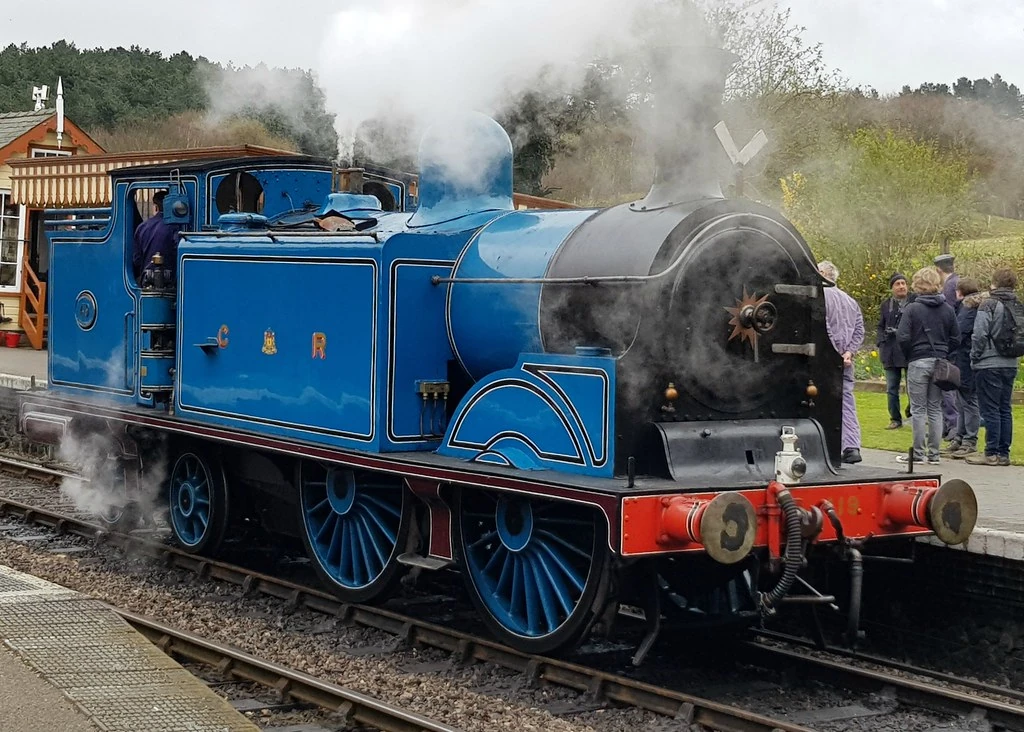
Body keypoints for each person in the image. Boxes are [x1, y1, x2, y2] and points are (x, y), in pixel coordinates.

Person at [895, 267, 960, 465]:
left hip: (918, 360)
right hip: (939, 362)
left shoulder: (912, 309)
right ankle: (934, 454)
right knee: (935, 409)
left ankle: (918, 453)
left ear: (917, 285)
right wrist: (945, 354)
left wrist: (911, 354)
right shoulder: (947, 309)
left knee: (918, 409)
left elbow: (903, 336)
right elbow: (956, 337)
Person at [966, 268, 1021, 466]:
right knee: (1005, 408)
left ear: (994, 282)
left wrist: (974, 356)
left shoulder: (988, 304)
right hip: (1011, 362)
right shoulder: (1017, 304)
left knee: (990, 409)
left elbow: (979, 334)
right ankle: (1003, 453)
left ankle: (990, 452)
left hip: (988, 362)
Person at [818, 261, 865, 464]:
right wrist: (849, 352)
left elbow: (822, 326)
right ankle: (851, 446)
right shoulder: (850, 300)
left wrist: (835, 353)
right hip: (845, 359)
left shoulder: (820, 298)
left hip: (826, 359)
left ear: (822, 274)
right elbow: (859, 330)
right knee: (846, 401)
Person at [944, 278, 982, 458]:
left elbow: (959, 333)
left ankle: (969, 439)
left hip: (966, 360)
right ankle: (960, 437)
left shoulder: (968, 309)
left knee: (968, 401)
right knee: (961, 400)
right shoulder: (972, 307)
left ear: (960, 292)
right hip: (964, 359)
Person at [876, 273, 912, 429]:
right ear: (892, 288)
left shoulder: (914, 302)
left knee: (913, 387)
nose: (901, 286)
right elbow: (880, 326)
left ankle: (912, 414)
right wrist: (881, 341)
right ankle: (895, 419)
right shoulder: (886, 305)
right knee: (892, 388)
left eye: (903, 283)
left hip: (909, 351)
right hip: (890, 351)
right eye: (897, 284)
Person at [935, 254, 960, 439]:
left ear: (938, 270)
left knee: (946, 384)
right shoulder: (958, 282)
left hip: (948, 343)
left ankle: (951, 424)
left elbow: (947, 316)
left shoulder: (949, 287)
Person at [132, 190, 178, 283]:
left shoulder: (142, 227)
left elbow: (137, 260)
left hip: (146, 278)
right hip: (171, 280)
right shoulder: (176, 227)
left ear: (155, 207)